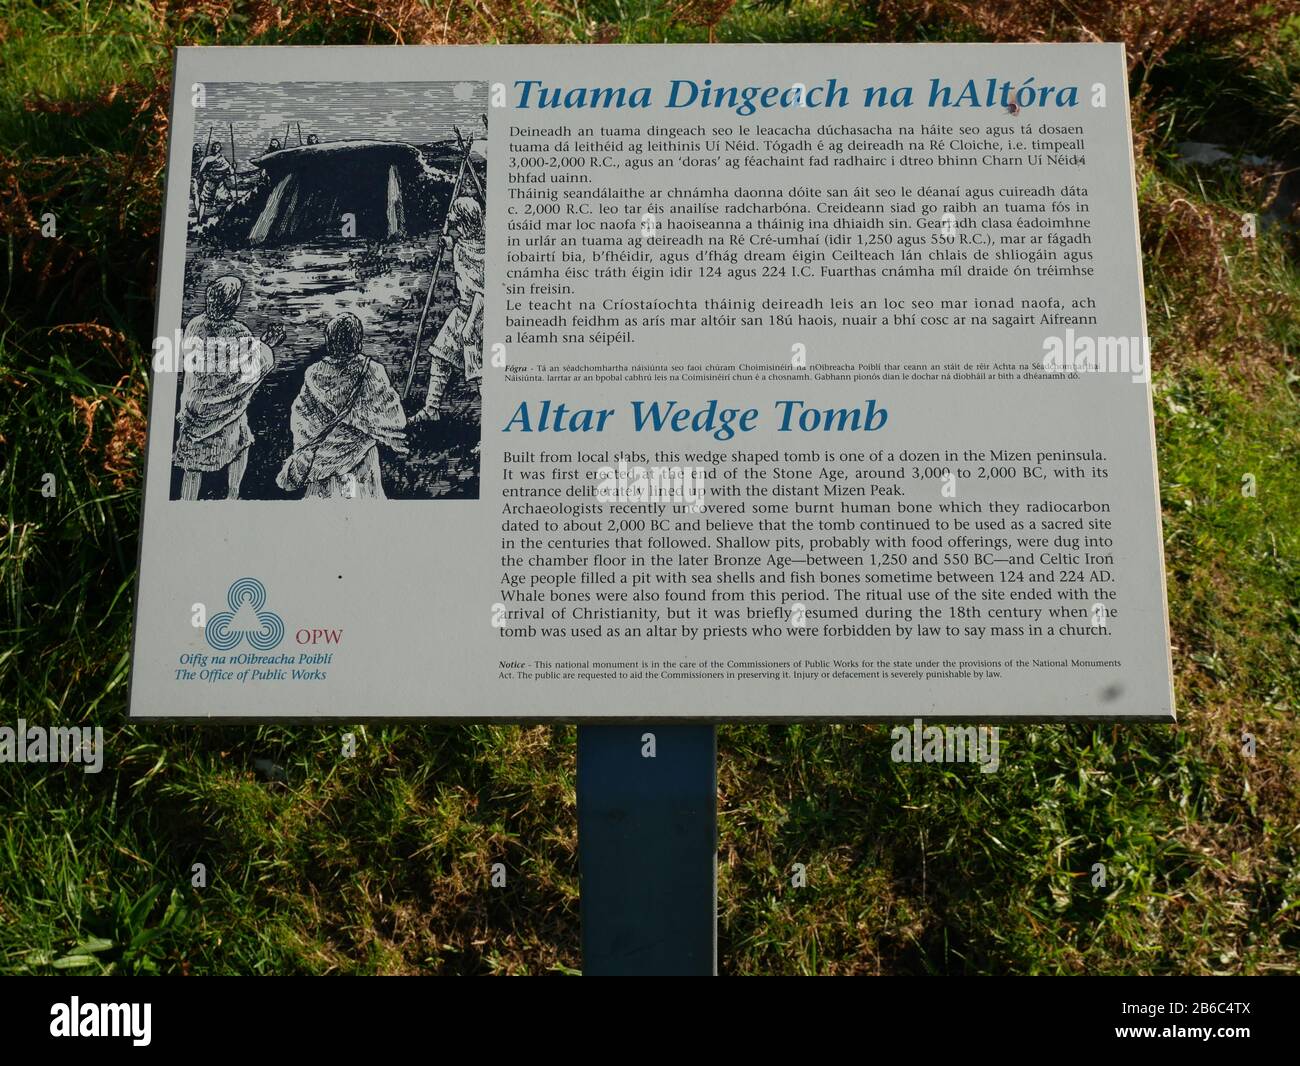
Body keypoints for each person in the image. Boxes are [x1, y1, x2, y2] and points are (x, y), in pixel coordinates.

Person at [174, 275, 281, 500]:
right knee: (241, 444)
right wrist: (266, 345)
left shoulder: (194, 325)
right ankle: (233, 495)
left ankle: (187, 499)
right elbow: (249, 368)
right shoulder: (238, 333)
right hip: (224, 415)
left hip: (195, 409)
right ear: (233, 303)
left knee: (192, 465)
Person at [279, 313, 408, 499]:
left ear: (329, 342)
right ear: (358, 342)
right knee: (362, 504)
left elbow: (302, 417)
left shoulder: (314, 373)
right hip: (361, 458)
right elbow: (392, 418)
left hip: (321, 461)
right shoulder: (373, 370)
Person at [411, 196, 484, 424]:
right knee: (441, 356)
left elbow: (483, 294)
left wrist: (470, 325)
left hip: (477, 317)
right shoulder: (465, 244)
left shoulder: (482, 254)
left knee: (481, 374)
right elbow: (460, 246)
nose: (453, 227)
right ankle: (431, 409)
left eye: (457, 224)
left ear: (465, 224)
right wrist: (449, 244)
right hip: (461, 313)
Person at [195, 142, 235, 222]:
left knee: (227, 200)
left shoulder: (222, 159)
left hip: (220, 183)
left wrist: (233, 167)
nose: (215, 148)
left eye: (217, 147)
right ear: (212, 148)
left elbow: (231, 171)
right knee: (203, 202)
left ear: (220, 148)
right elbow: (200, 171)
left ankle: (222, 218)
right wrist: (200, 178)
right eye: (214, 146)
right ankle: (199, 221)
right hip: (210, 182)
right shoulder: (207, 159)